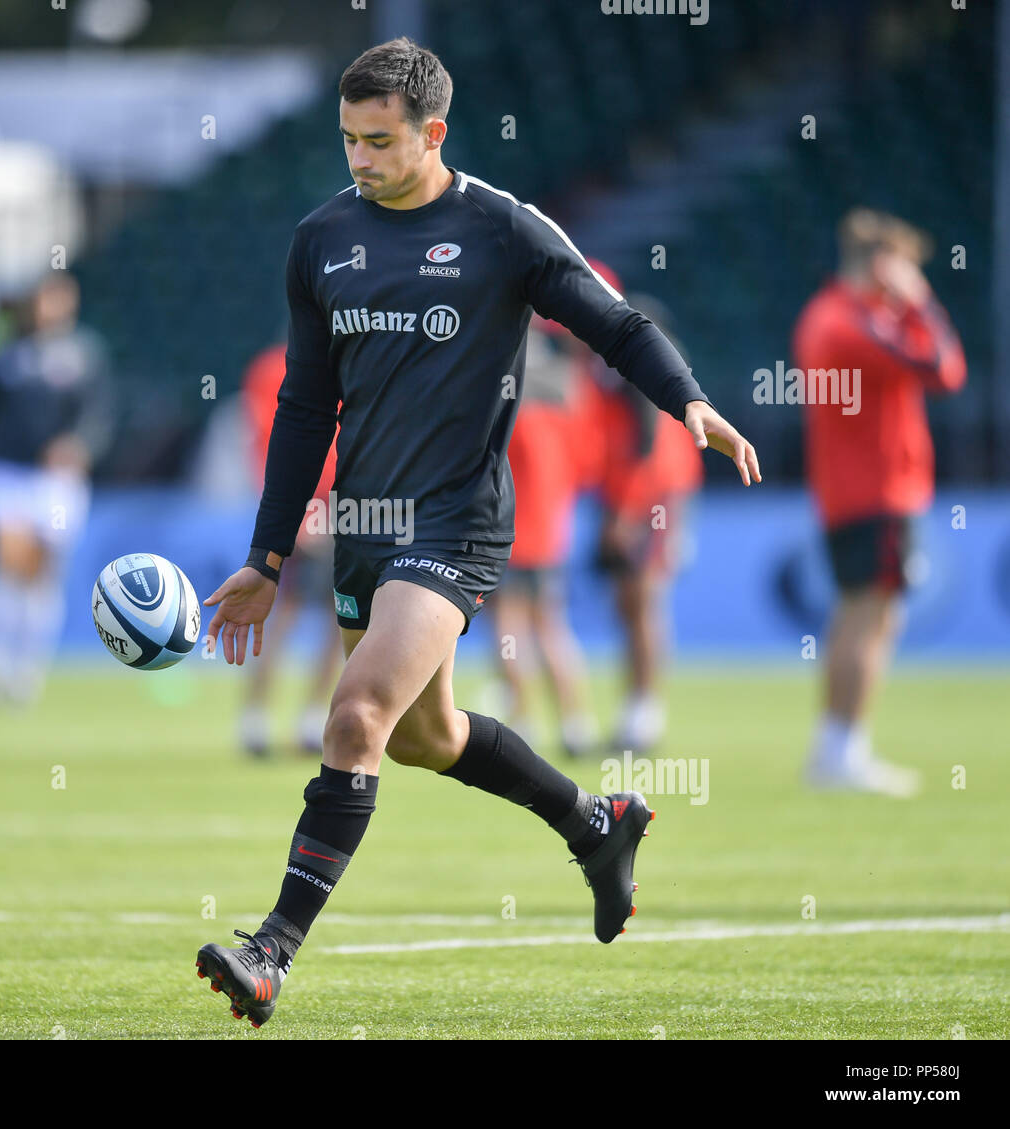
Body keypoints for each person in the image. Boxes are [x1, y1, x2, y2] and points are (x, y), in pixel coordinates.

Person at [196, 37, 760, 1029]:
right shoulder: (321, 240)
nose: (359, 160)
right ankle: (596, 822)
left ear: (433, 133)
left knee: (354, 714)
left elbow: (614, 323)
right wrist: (266, 558)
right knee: (423, 737)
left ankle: (271, 949)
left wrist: (690, 403)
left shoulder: (502, 230)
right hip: (365, 524)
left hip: (456, 519)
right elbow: (301, 408)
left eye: (378, 142)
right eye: (348, 140)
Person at [794, 208, 965, 796]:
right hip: (878, 491)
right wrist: (921, 304)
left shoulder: (825, 316)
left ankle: (835, 747)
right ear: (881, 264)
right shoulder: (852, 321)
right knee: (874, 617)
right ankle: (845, 749)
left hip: (851, 491)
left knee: (856, 614)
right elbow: (944, 370)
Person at [0, 273, 113, 703]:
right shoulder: (1, 353)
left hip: (55, 481)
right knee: (7, 567)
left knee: (41, 577)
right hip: (4, 473)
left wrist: (79, 445)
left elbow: (99, 415)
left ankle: (26, 671)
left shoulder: (84, 354)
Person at [572, 277, 704, 754]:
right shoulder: (616, 369)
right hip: (637, 493)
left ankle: (644, 714)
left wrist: (624, 513)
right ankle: (637, 710)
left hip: (651, 496)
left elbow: (645, 447)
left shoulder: (634, 372)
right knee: (631, 602)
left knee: (642, 599)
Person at [488, 314, 599, 757]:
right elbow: (586, 465)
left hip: (506, 531)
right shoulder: (565, 400)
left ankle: (523, 721)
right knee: (551, 628)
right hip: (550, 532)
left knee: (508, 630)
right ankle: (576, 723)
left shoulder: (502, 404)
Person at [238, 341, 344, 757]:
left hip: (348, 502)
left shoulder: (353, 357)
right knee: (282, 608)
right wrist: (290, 511)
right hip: (304, 502)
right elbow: (267, 439)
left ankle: (312, 716)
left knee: (344, 614)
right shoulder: (271, 367)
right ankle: (256, 715)